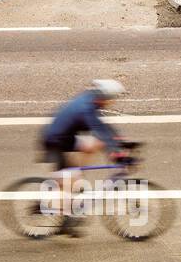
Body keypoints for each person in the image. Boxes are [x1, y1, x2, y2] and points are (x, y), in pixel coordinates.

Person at [40, 79, 129, 236]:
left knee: (94, 145)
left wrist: (120, 143)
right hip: (55, 142)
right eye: (112, 99)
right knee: (69, 181)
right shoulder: (86, 108)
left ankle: (77, 175)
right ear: (106, 97)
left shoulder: (91, 99)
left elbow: (102, 127)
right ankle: (66, 220)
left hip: (64, 137)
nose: (112, 102)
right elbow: (98, 128)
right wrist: (117, 153)